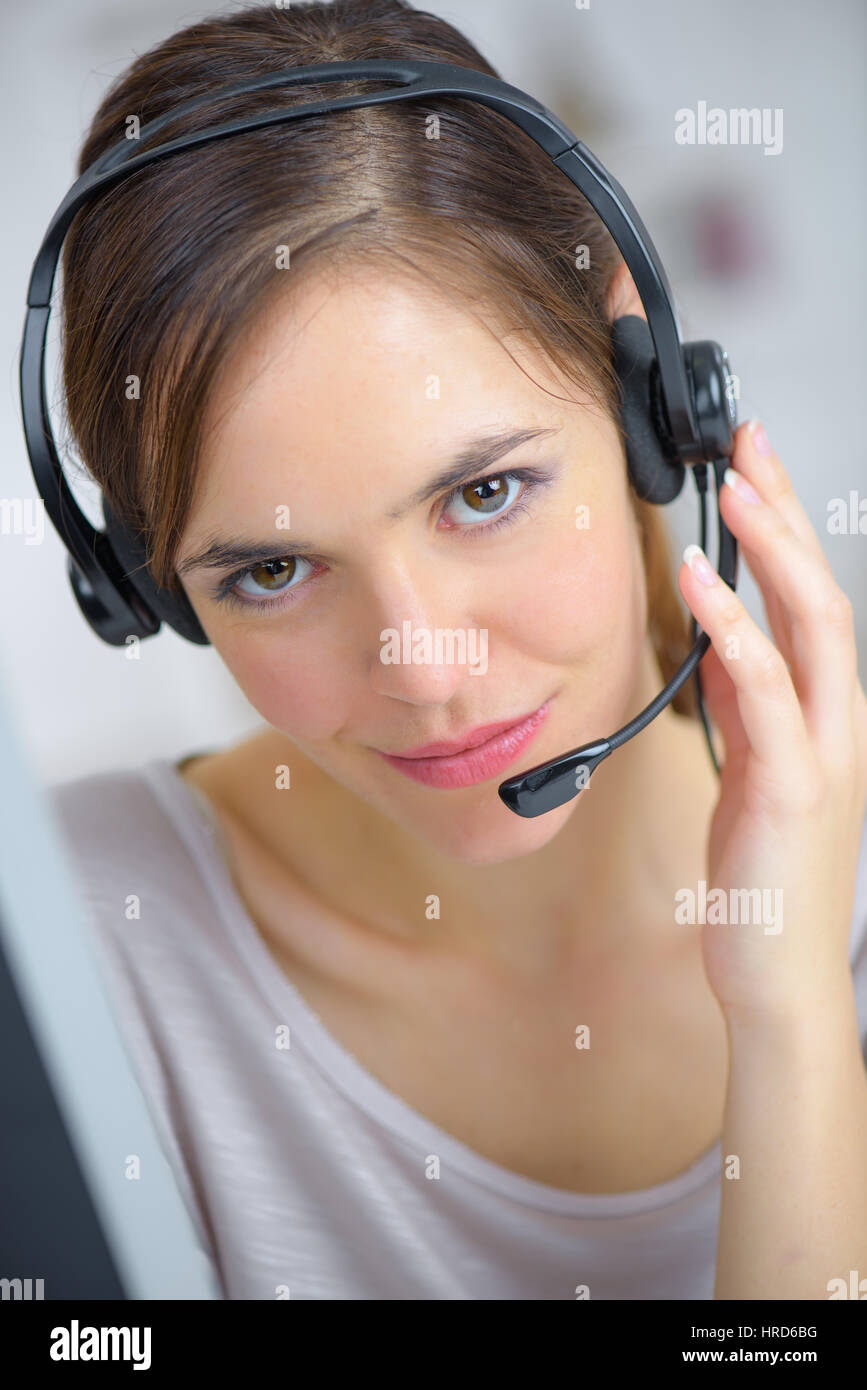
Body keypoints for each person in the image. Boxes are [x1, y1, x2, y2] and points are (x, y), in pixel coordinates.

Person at [47, 0, 867, 1300]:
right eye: (273, 569)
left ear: (646, 392)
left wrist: (794, 1010)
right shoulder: (66, 951)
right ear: (151, 588)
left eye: (483, 494)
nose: (423, 671)